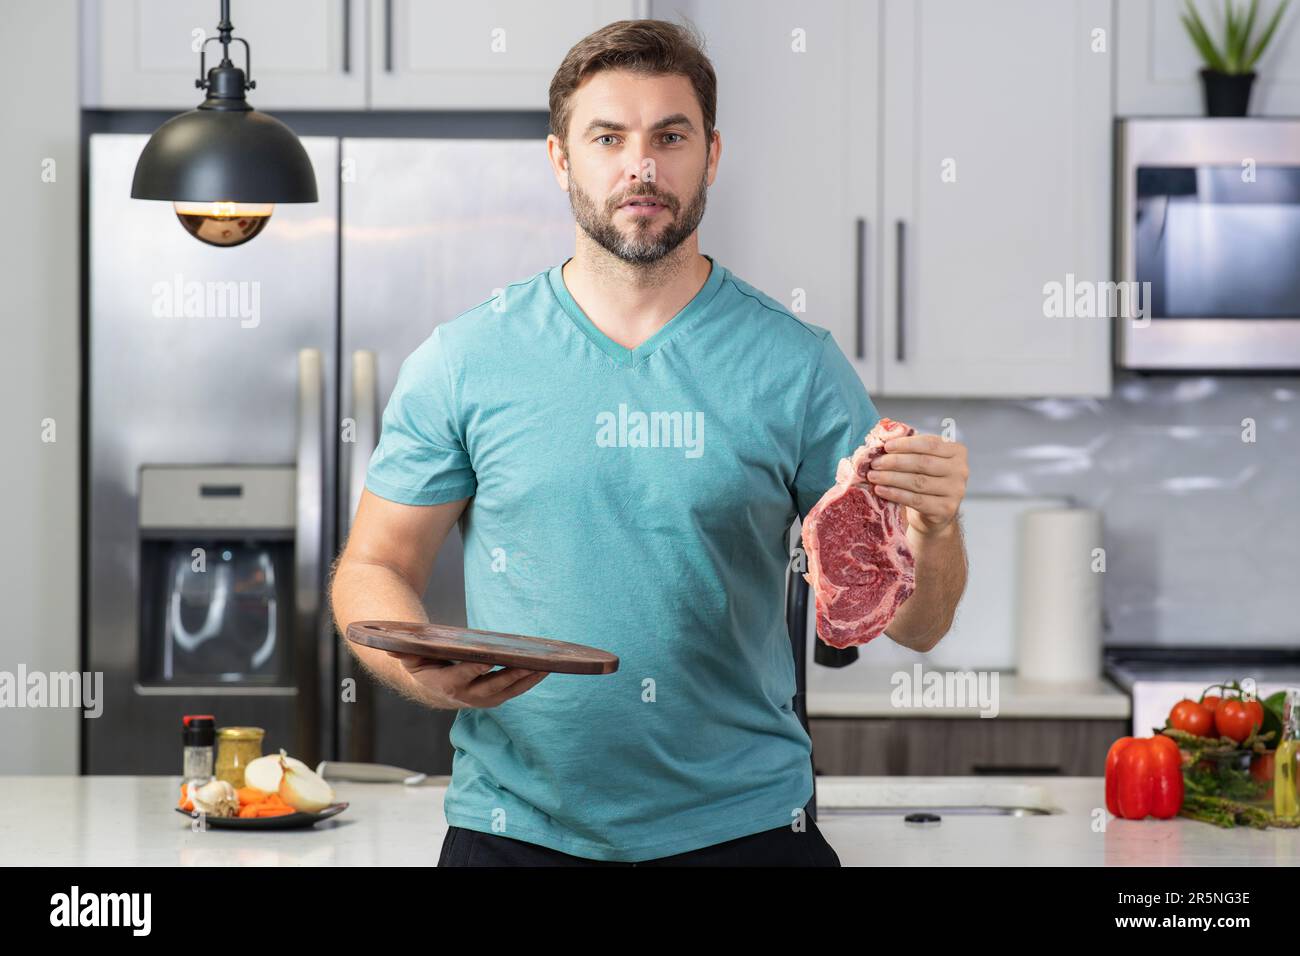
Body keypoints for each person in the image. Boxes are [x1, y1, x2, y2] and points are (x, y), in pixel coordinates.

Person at [330, 18, 969, 867]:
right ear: (561, 159)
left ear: (711, 153)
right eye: (608, 137)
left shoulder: (798, 366)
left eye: (670, 136)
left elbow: (918, 628)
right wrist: (417, 671)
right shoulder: (465, 359)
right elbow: (374, 566)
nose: (642, 166)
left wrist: (937, 529)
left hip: (744, 833)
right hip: (513, 832)